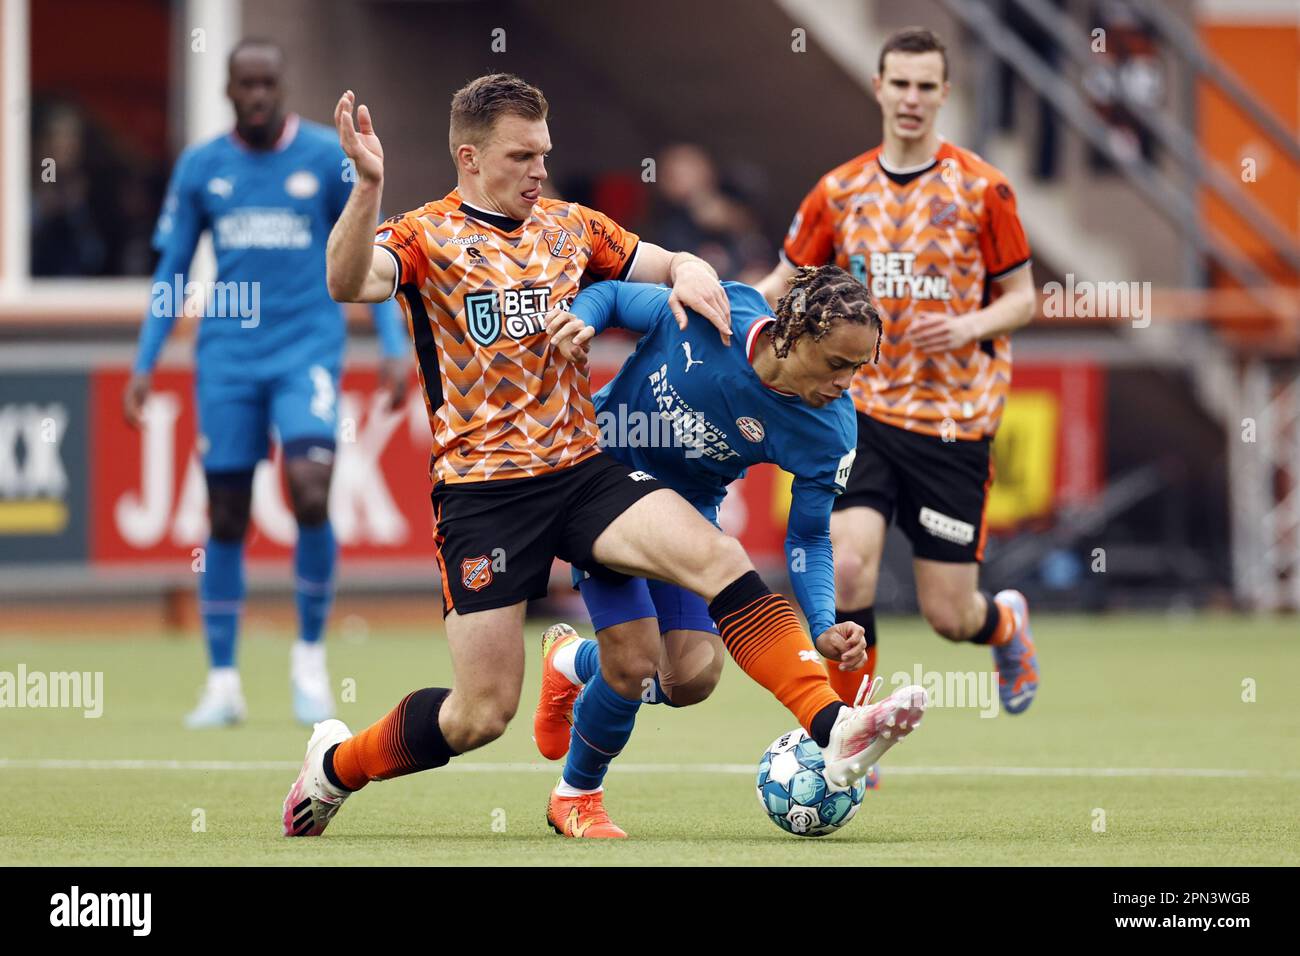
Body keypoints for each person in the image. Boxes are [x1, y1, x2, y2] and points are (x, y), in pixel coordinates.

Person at [282, 73, 926, 838]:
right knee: (479, 715)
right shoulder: (426, 236)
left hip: (587, 469)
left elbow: (665, 267)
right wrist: (369, 188)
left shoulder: (572, 228)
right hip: (483, 494)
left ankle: (831, 725)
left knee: (717, 561)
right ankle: (335, 766)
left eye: (544, 153)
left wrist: (690, 271)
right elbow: (347, 279)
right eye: (522, 155)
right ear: (470, 157)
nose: (540, 169)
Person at [534, 264, 910, 838]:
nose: (846, 383)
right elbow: (610, 296)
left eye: (860, 367)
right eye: (837, 363)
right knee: (634, 664)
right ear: (790, 335)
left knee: (691, 679)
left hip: (685, 515)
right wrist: (580, 323)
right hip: (598, 479)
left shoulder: (829, 430)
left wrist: (825, 622)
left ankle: (569, 664)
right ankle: (576, 793)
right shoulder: (715, 311)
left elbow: (809, 535)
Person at [124, 39, 410, 728]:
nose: (256, 95)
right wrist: (144, 363)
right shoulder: (202, 167)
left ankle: (309, 657)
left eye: (267, 84)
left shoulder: (322, 158)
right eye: (244, 84)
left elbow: (378, 250)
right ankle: (223, 682)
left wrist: (395, 345)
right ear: (227, 90)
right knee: (225, 512)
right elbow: (172, 271)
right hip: (226, 356)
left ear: (281, 88)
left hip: (307, 349)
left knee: (310, 489)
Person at [756, 27, 1040, 719]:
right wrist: (713, 311)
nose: (911, 98)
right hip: (863, 415)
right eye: (899, 83)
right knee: (847, 566)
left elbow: (1024, 297)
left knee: (949, 614)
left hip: (953, 423)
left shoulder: (983, 190)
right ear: (879, 87)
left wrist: (968, 325)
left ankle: (1004, 626)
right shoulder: (840, 190)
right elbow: (783, 283)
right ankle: (850, 732)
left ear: (944, 94)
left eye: (925, 85)